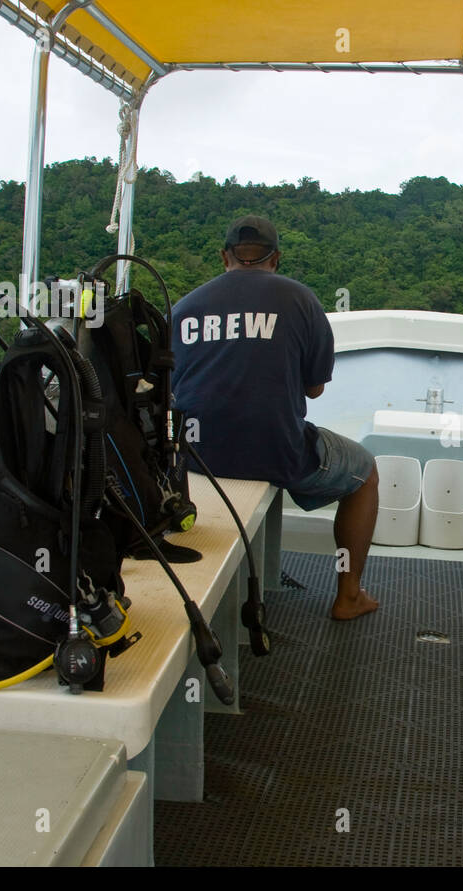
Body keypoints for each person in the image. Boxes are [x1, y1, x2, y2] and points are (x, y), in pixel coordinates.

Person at [172, 215, 380, 621]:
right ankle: (348, 595)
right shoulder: (300, 299)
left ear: (223, 257)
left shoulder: (184, 307)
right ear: (276, 258)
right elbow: (314, 388)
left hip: (195, 455)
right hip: (274, 450)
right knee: (365, 473)